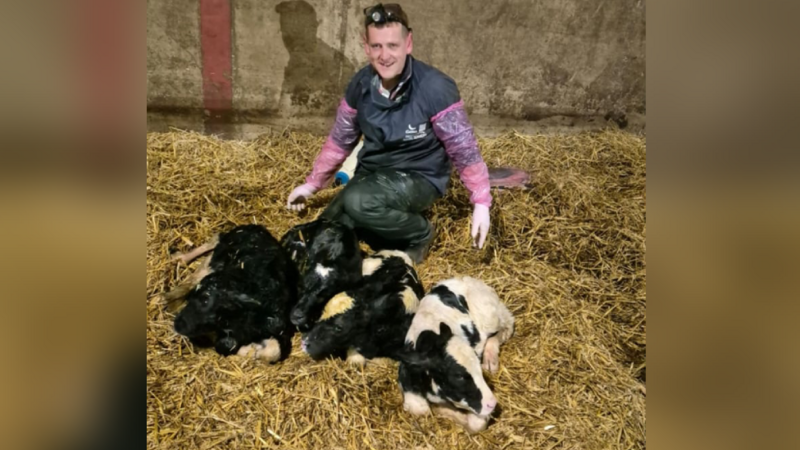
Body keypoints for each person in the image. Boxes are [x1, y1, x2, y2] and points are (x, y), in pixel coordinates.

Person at [286, 3, 491, 263]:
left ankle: (420, 234)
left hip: (419, 176)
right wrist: (312, 184)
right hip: (373, 174)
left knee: (358, 203)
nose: (385, 56)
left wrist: (481, 202)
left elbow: (463, 149)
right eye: (377, 46)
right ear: (366, 46)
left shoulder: (434, 88)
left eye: (393, 45)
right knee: (326, 230)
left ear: (408, 43)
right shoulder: (361, 85)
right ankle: (379, 230)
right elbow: (341, 139)